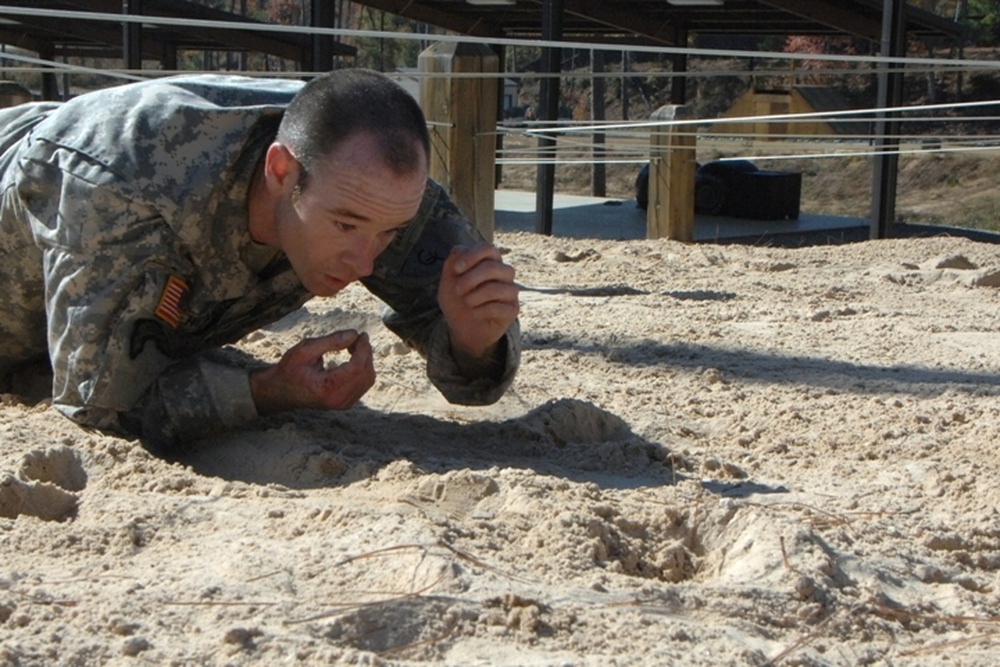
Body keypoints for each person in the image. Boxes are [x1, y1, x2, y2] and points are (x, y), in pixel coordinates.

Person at [0, 69, 521, 450]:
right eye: (344, 226)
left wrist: (474, 341)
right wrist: (266, 392)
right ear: (281, 172)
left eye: (390, 233)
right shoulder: (121, 190)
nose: (366, 263)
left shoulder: (373, 184)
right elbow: (99, 406)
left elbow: (472, 356)